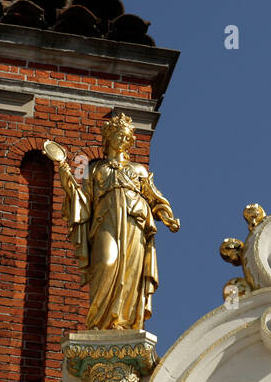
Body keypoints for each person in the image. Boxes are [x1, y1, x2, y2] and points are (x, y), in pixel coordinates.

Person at [56, 112, 179, 330]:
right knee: (107, 262)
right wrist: (68, 183)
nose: (122, 140)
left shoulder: (138, 170)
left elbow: (155, 198)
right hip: (106, 221)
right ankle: (99, 322)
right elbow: (84, 201)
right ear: (108, 138)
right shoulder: (95, 169)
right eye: (117, 135)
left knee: (130, 271)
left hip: (135, 222)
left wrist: (167, 217)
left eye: (126, 136)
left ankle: (124, 321)